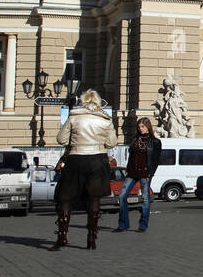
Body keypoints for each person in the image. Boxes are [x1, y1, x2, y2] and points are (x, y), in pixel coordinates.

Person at [52, 89, 118, 251]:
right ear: (97, 101)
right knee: (94, 199)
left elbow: (61, 139)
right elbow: (111, 143)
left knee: (65, 199)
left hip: (76, 159)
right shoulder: (105, 119)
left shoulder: (74, 117)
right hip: (97, 161)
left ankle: (62, 236)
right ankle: (91, 238)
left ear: (83, 101)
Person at [115, 117, 162, 232]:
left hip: (145, 173)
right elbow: (131, 156)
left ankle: (143, 225)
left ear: (148, 127)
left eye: (142, 127)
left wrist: (151, 172)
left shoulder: (155, 142)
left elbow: (156, 159)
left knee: (145, 198)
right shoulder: (135, 140)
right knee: (122, 196)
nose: (140, 129)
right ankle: (123, 224)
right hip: (132, 172)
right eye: (139, 127)